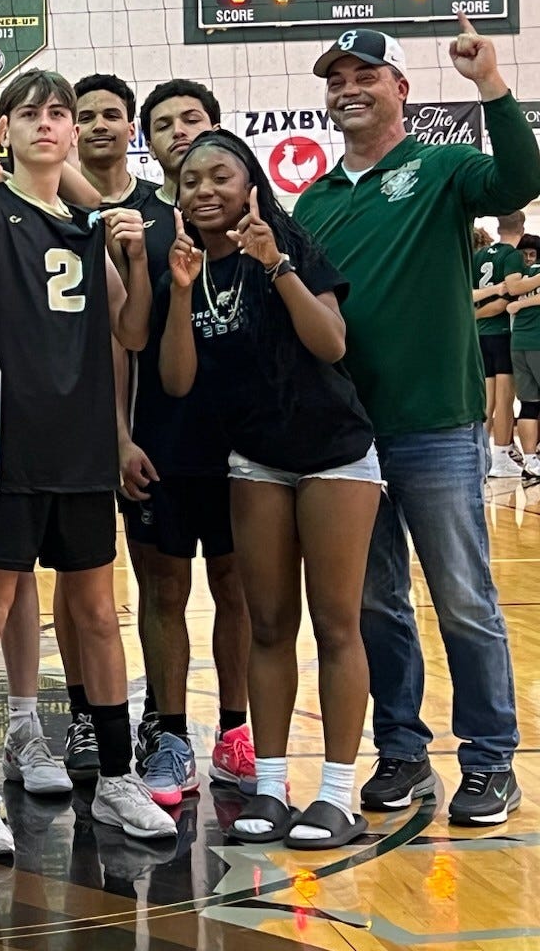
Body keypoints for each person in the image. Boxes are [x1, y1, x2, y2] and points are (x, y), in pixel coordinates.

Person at [0, 69, 176, 850]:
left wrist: (135, 261)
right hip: (3, 450)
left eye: (57, 114)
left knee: (97, 614)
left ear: (72, 133)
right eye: (29, 114)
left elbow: (130, 335)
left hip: (83, 448)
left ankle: (119, 781)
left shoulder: (92, 224)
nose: (47, 125)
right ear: (8, 128)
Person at [294, 20, 540, 824]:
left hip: (435, 426)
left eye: (365, 73)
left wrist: (491, 84)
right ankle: (401, 752)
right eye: (336, 77)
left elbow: (518, 181)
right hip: (349, 440)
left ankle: (490, 760)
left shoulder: (440, 170)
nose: (348, 87)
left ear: (400, 88)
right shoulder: (316, 200)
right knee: (374, 607)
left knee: (463, 596)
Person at [161, 132, 379, 848]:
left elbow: (332, 343)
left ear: (250, 182)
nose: (204, 190)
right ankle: (269, 787)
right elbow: (177, 381)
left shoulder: (291, 243)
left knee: (336, 622)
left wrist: (276, 264)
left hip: (333, 452)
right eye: (189, 181)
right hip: (255, 459)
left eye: (219, 175)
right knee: (269, 622)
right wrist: (182, 291)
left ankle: (339, 794)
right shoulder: (185, 266)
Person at [78, 73, 254, 805]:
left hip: (245, 443)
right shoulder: (137, 223)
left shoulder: (254, 224)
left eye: (192, 120)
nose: (179, 133)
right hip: (161, 436)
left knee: (239, 588)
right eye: (165, 125)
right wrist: (119, 436)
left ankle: (238, 731)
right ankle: (171, 731)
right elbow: (124, 341)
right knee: (163, 587)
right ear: (148, 143)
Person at [471, 211, 527, 476]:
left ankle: (481, 457)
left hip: (480, 335)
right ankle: (502, 455)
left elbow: (469, 295)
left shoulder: (478, 255)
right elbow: (505, 302)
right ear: (522, 227)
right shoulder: (512, 255)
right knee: (505, 398)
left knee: (488, 400)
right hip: (503, 334)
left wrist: (474, 316)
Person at [504, 233, 540, 475]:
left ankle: (530, 460)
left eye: (531, 254)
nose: (528, 258)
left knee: (528, 404)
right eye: (525, 254)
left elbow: (509, 301)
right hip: (536, 341)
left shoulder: (518, 278)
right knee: (529, 404)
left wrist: (518, 304)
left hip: (518, 343)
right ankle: (532, 459)